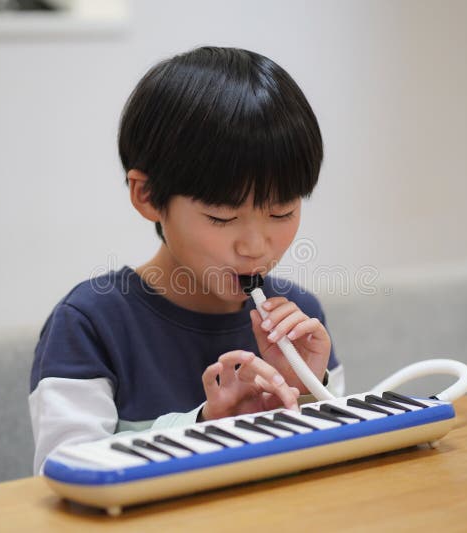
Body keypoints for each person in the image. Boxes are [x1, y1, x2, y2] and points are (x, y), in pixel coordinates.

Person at [29, 46, 345, 475]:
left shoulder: (300, 319)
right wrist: (203, 428)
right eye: (221, 217)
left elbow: (336, 471)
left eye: (282, 212)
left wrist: (307, 392)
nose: (255, 246)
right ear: (147, 196)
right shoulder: (90, 324)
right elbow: (65, 471)